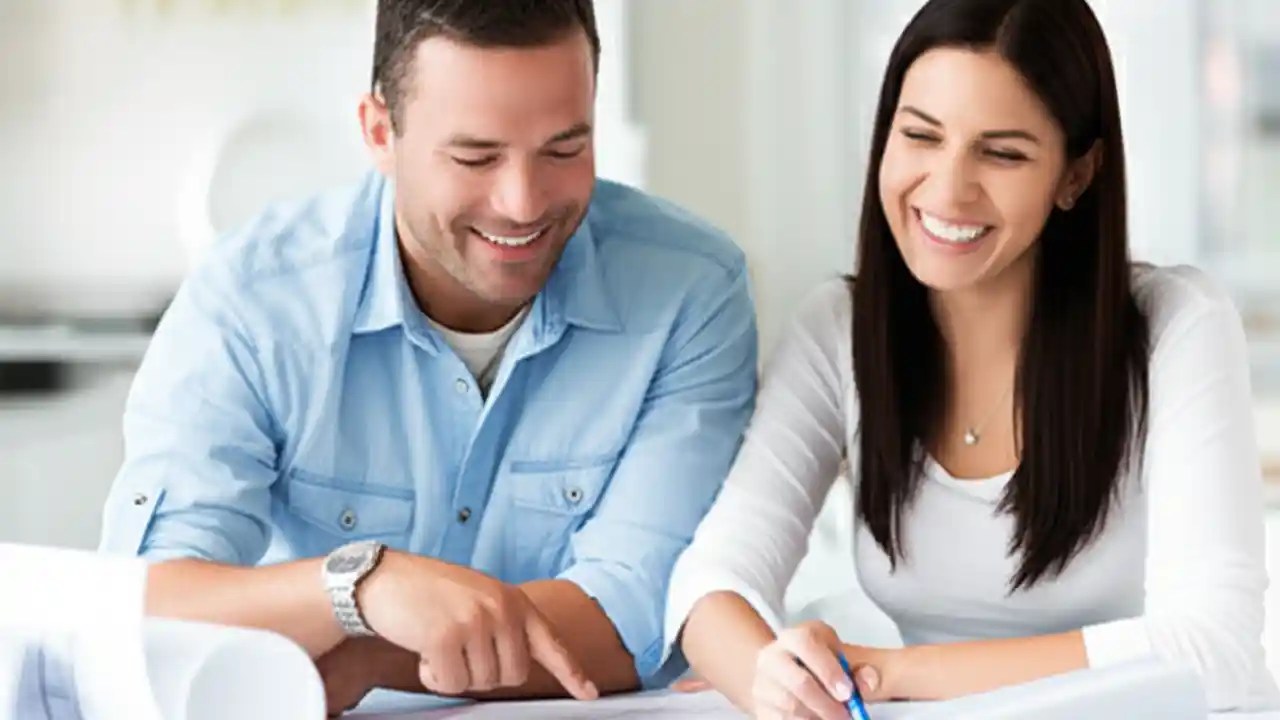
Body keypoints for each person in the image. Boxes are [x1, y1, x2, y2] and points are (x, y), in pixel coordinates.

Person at [97, 0, 757, 714]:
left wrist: (367, 649)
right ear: (380, 132)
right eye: (476, 157)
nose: (522, 202)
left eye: (564, 150)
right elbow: (145, 604)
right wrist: (357, 583)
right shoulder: (254, 301)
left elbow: (638, 613)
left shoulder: (689, 290)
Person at [666, 0, 1278, 717]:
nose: (948, 188)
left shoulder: (1176, 326)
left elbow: (1212, 650)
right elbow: (712, 580)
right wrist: (769, 678)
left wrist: (893, 672)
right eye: (920, 136)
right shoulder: (839, 328)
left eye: (1003, 153)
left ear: (1076, 174)